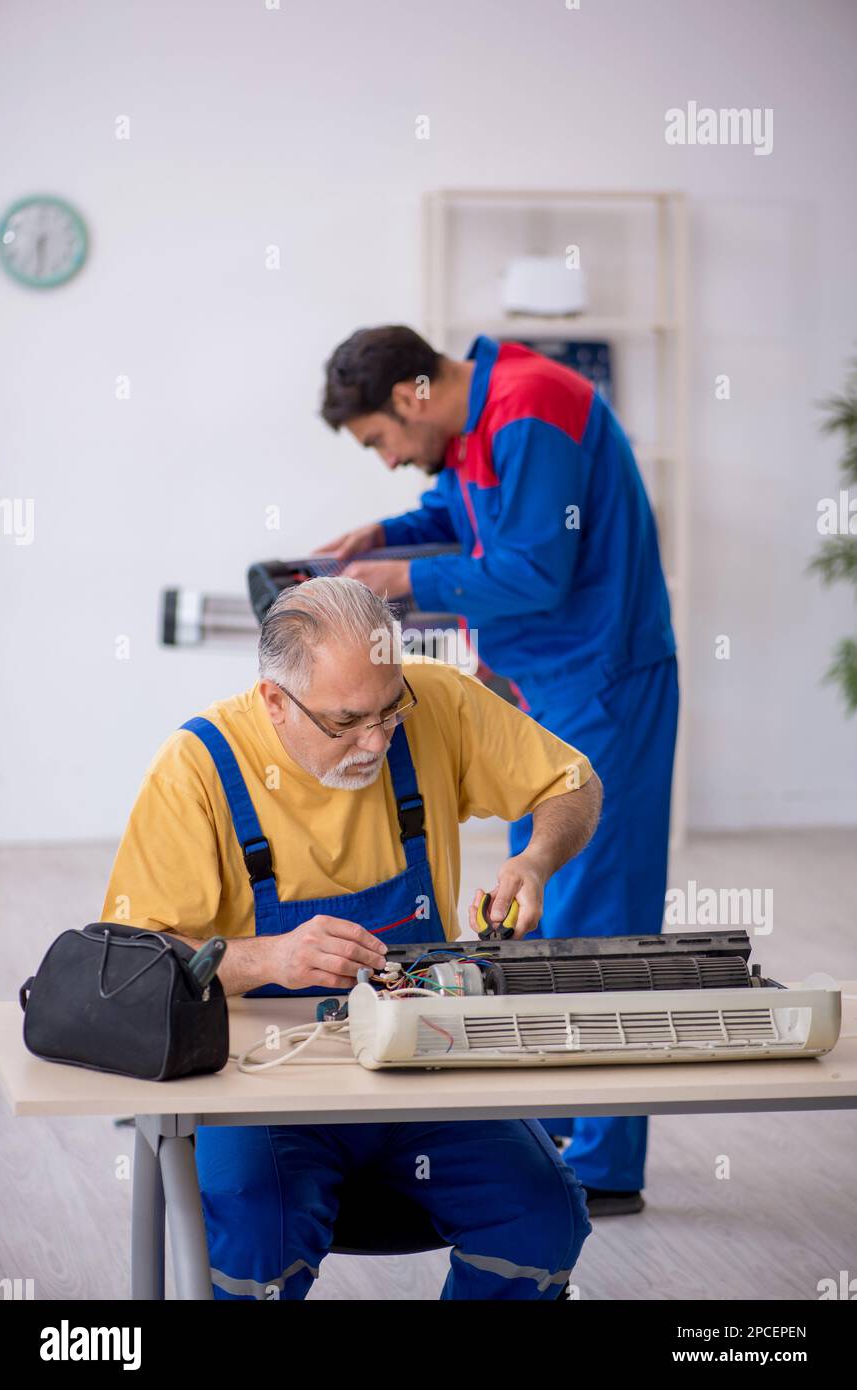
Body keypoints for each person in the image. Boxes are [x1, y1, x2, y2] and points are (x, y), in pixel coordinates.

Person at [102, 576, 602, 1300]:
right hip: (263, 1089)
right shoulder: (196, 768)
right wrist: (268, 957)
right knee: (254, 1237)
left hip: (424, 1058)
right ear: (275, 699)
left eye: (388, 710)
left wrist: (533, 858)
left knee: (543, 1216)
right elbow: (131, 970)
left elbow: (573, 783)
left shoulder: (437, 703)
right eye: (345, 722)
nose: (375, 741)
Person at [318, 326, 680, 1215]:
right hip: (541, 680)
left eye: (380, 442)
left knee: (597, 922)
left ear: (409, 398)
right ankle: (557, 1117)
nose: (392, 459)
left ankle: (603, 1159)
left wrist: (399, 579)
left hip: (603, 679)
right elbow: (467, 520)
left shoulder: (531, 404)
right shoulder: (479, 421)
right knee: (536, 901)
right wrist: (387, 534)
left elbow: (533, 570)